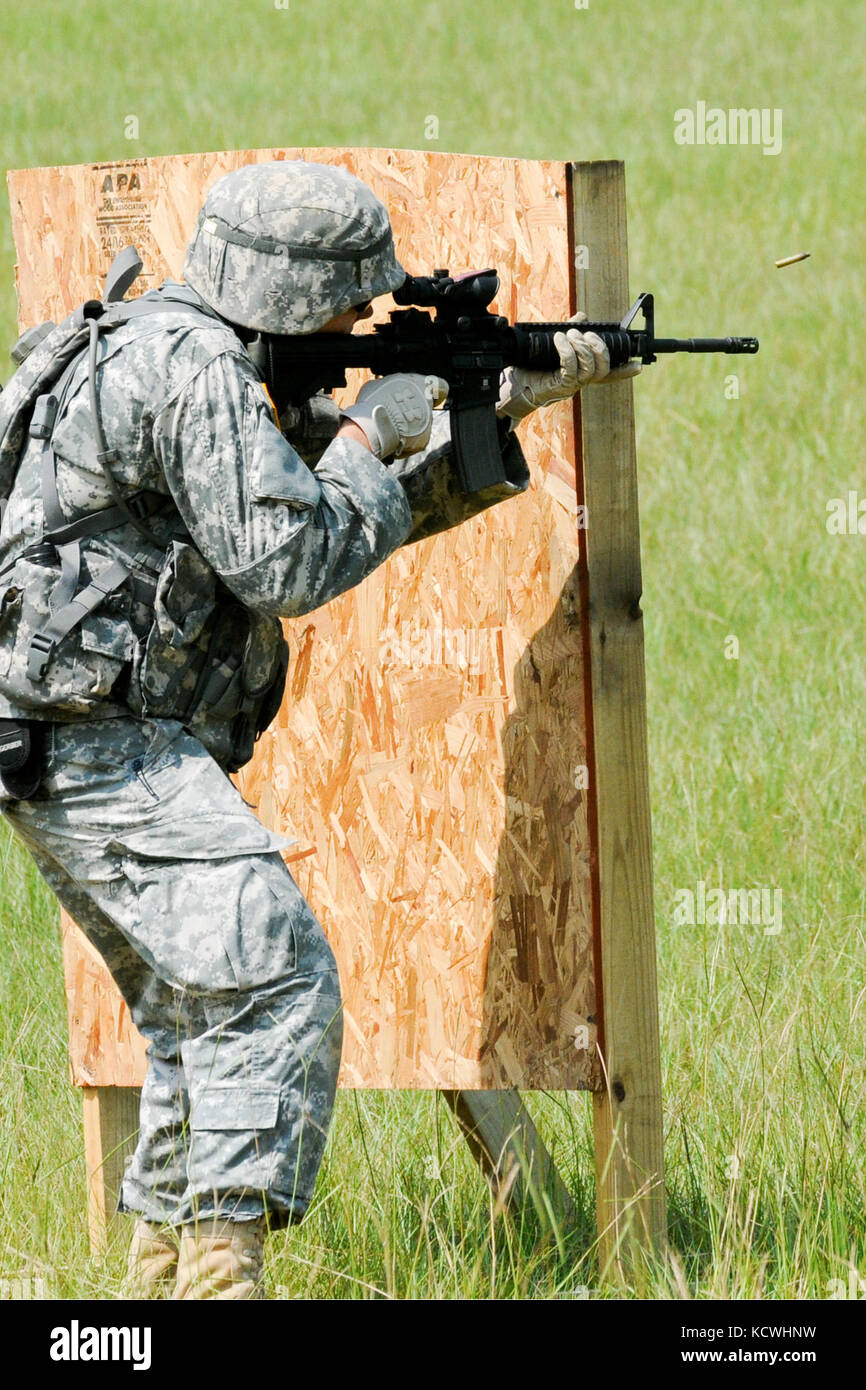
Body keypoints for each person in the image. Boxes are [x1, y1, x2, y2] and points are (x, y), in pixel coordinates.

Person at [0, 160, 637, 1299]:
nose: (358, 326)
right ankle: (220, 1282)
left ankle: (151, 1290)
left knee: (198, 1016)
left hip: (65, 740)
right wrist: (362, 441)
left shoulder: (162, 346)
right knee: (275, 978)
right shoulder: (194, 373)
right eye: (348, 305)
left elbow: (330, 524)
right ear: (292, 298)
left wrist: (501, 407)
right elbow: (291, 561)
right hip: (95, 739)